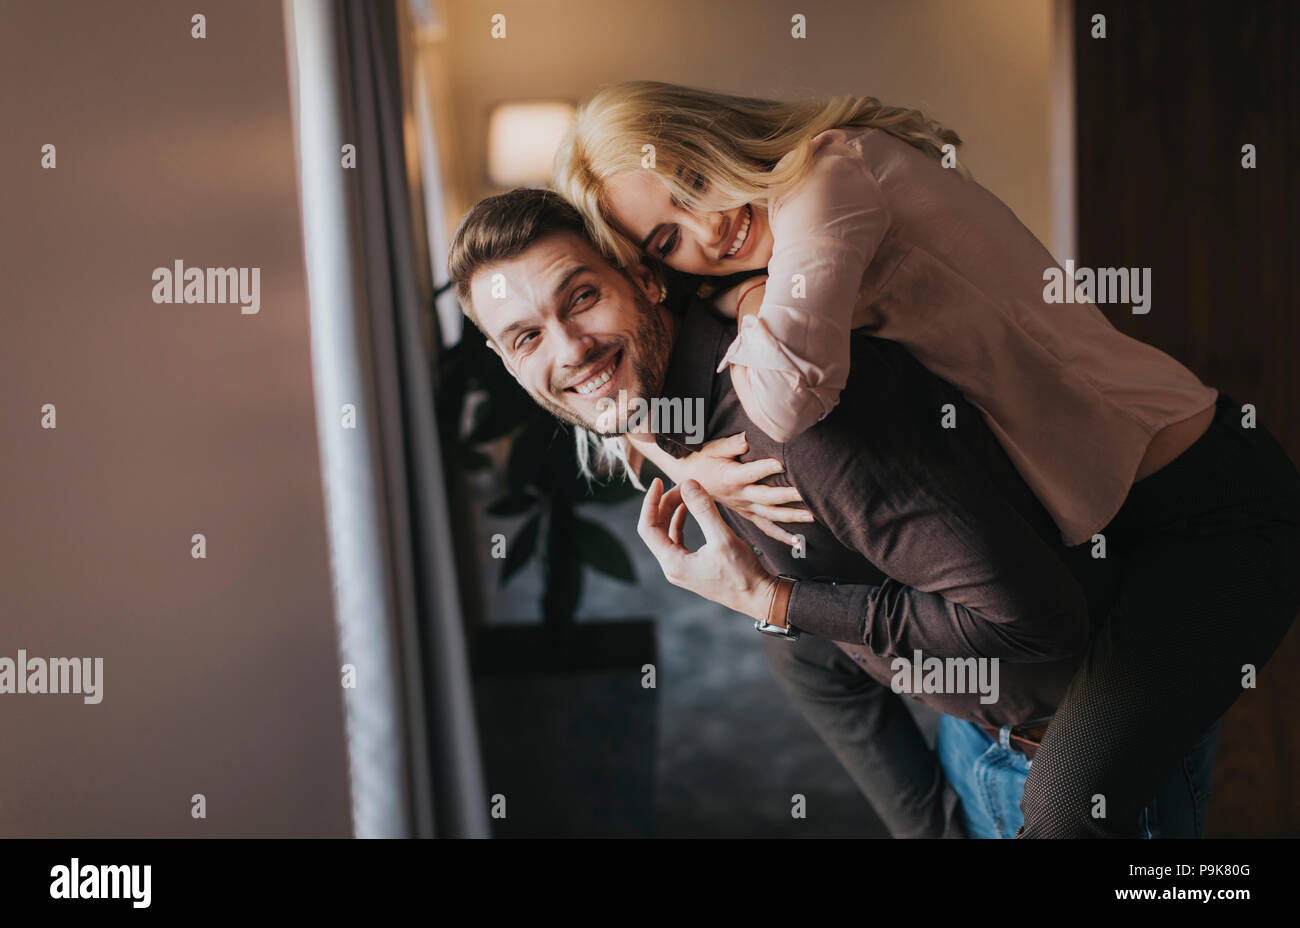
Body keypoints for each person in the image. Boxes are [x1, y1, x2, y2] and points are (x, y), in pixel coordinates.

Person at [444, 188, 1285, 837]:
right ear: (503, 360)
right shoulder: (666, 413)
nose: (569, 350)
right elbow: (807, 651)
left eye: (579, 299)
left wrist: (770, 600)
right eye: (525, 337)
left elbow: (1037, 623)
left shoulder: (791, 420)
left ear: (643, 278)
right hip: (968, 732)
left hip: (1064, 749)